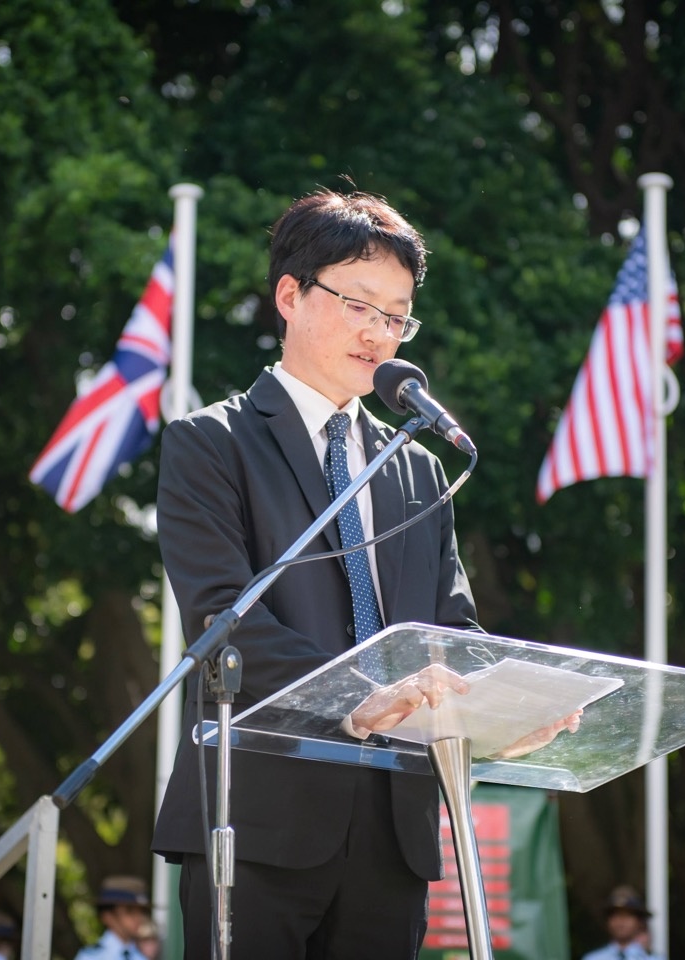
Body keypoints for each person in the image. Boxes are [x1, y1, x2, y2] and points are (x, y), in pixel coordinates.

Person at [153, 188, 565, 959]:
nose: (379, 333)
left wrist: (507, 711)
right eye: (359, 304)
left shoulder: (414, 466)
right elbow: (222, 623)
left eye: (397, 315)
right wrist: (363, 695)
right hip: (257, 818)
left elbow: (451, 633)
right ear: (290, 295)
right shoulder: (212, 444)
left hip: (393, 830)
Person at [74, 876, 155, 960]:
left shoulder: (142, 956)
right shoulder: (90, 957)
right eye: (129, 911)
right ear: (108, 916)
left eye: (141, 912)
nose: (138, 918)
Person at [580, 885, 658, 960]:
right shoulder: (592, 958)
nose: (620, 921)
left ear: (639, 921)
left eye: (627, 915)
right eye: (615, 916)